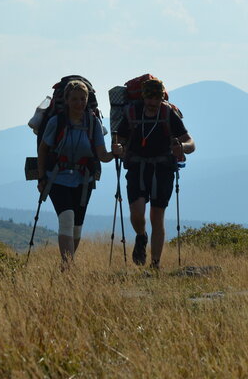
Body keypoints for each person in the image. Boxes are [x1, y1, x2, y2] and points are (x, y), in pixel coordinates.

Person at [111, 77, 195, 268]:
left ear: (161, 97)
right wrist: (118, 147)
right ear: (143, 97)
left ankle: (155, 264)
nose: (152, 102)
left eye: (156, 98)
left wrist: (181, 146)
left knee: (157, 216)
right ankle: (141, 236)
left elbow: (191, 143)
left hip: (162, 170)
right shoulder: (133, 113)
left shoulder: (168, 113)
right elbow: (121, 139)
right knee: (137, 214)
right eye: (149, 98)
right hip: (137, 168)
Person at [37, 79, 113, 268]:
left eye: (82, 99)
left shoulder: (93, 123)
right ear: (67, 100)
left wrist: (115, 153)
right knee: (67, 218)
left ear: (87, 100)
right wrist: (41, 177)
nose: (79, 103)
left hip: (83, 180)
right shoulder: (57, 122)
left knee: (77, 228)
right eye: (75, 99)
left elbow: (102, 154)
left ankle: (67, 264)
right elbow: (43, 150)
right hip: (57, 178)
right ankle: (68, 267)